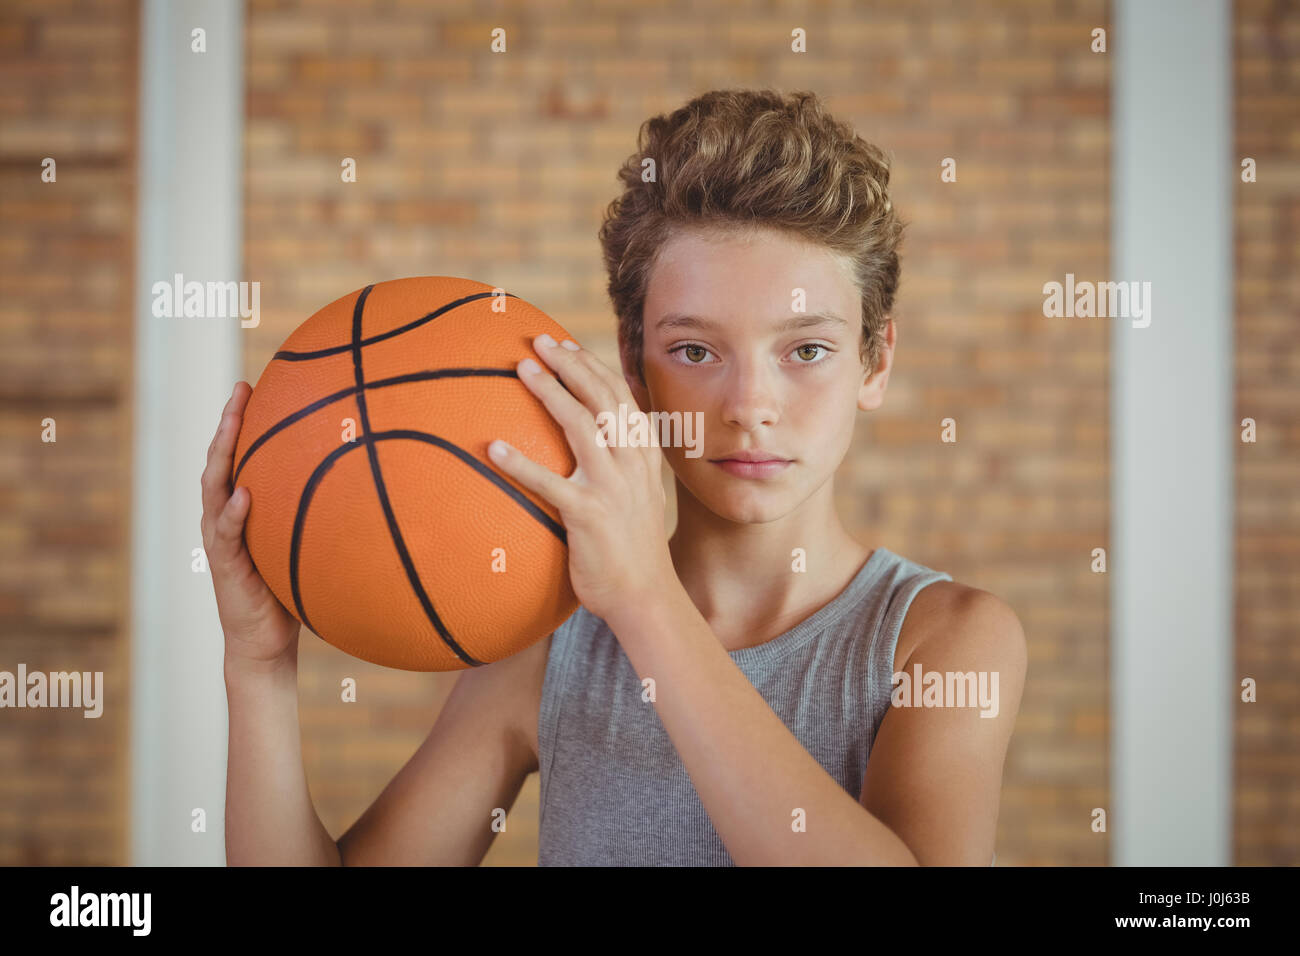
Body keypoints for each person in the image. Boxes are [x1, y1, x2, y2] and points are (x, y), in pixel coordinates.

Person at [205, 88, 1025, 867]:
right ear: (633, 364)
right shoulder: (550, 640)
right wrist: (259, 667)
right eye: (695, 351)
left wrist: (643, 598)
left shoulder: (944, 639)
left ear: (875, 362)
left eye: (806, 350)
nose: (749, 407)